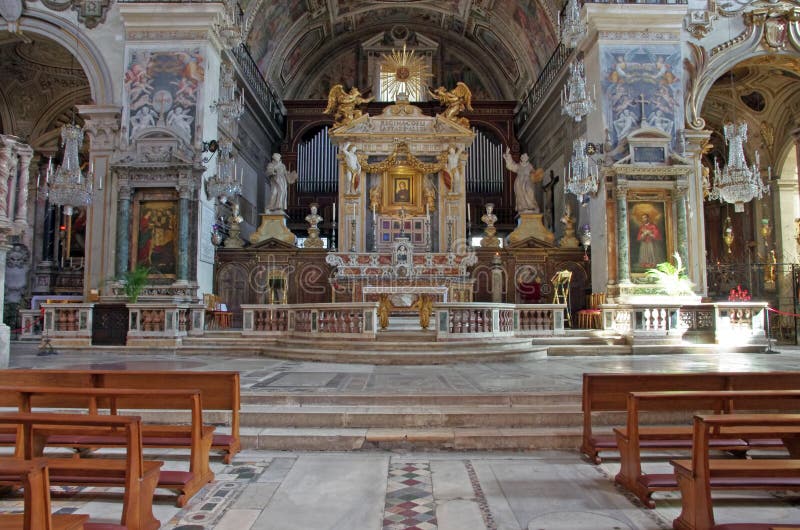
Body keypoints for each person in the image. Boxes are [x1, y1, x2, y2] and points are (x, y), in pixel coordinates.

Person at [503, 148, 542, 214]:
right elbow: (511, 165)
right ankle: (524, 207)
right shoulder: (519, 166)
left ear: (527, 158)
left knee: (530, 191)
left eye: (526, 157)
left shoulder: (530, 166)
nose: (524, 158)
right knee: (520, 195)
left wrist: (535, 175)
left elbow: (534, 174)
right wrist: (508, 154)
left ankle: (532, 206)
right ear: (521, 158)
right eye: (523, 157)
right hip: (519, 183)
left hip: (528, 182)